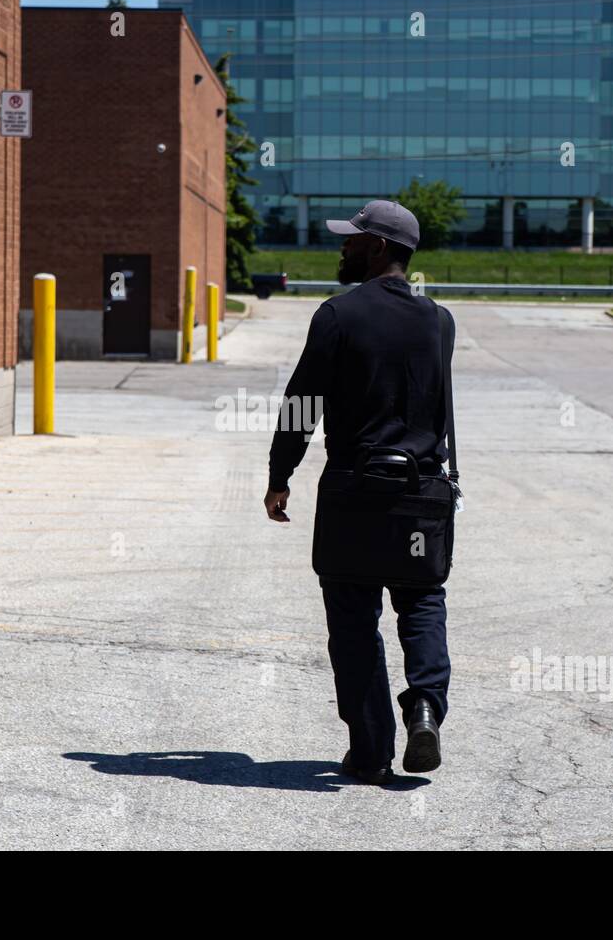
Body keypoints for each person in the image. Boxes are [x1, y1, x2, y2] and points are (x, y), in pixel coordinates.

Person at [263, 199, 454, 785]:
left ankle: (370, 750)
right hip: (422, 493)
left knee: (353, 620)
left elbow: (302, 404)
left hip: (353, 493)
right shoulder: (440, 319)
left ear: (378, 248)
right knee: (420, 600)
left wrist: (280, 476)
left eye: (352, 240)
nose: (342, 247)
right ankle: (424, 705)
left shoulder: (338, 315)